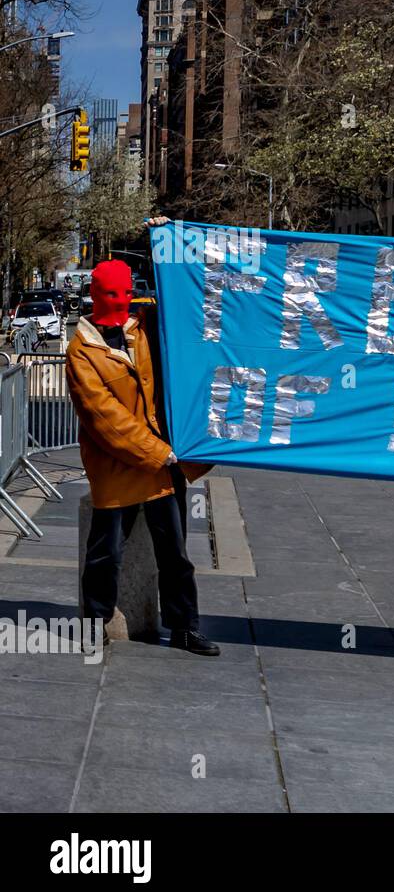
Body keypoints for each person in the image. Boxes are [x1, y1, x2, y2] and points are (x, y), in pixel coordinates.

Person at [66, 223, 219, 656]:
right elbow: (104, 419)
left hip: (161, 464)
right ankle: (94, 623)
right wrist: (161, 453)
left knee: (175, 554)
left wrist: (169, 236)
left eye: (127, 291)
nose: (122, 299)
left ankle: (185, 627)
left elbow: (182, 292)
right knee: (105, 554)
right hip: (120, 466)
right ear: (95, 295)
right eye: (113, 293)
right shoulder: (82, 351)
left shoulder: (142, 327)